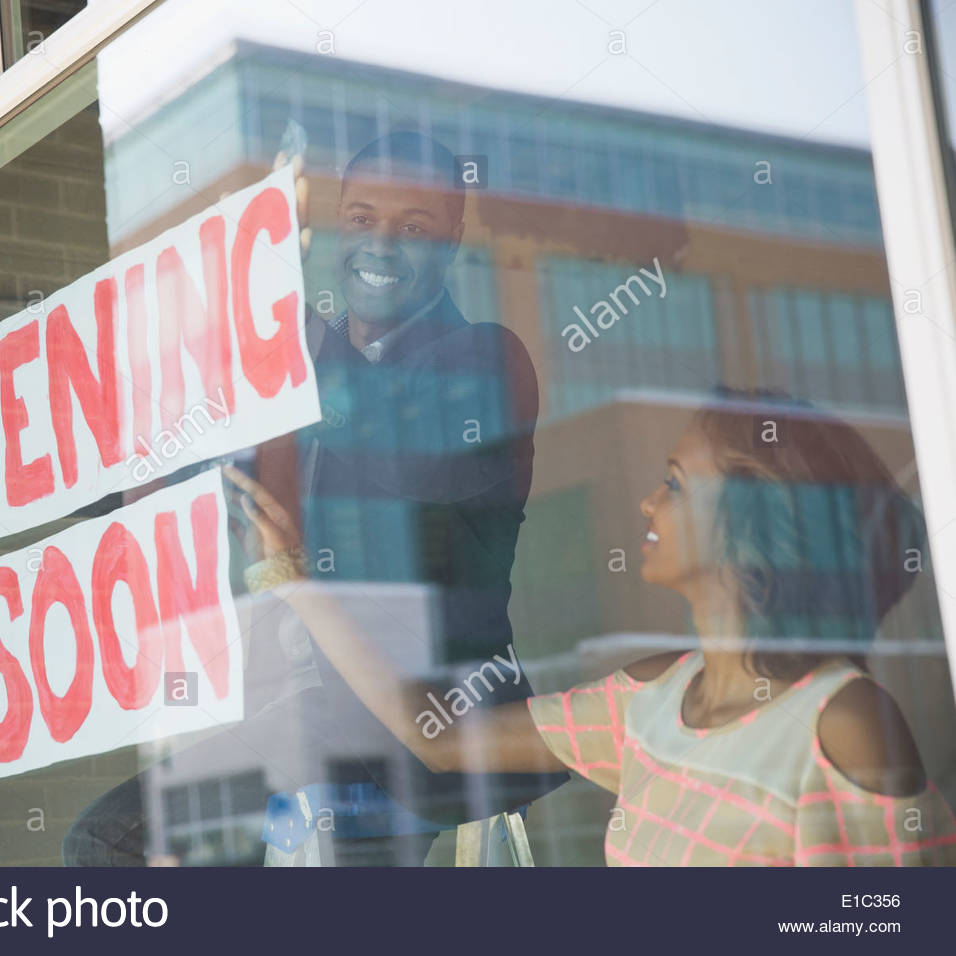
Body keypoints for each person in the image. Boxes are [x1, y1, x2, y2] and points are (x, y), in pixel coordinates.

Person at [62, 132, 567, 866]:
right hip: (304, 714)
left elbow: (390, 440)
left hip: (422, 720)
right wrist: (35, 456)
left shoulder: (485, 359)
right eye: (361, 219)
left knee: (117, 845)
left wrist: (272, 301)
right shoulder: (298, 375)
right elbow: (161, 475)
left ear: (454, 239)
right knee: (109, 845)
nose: (382, 244)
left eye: (414, 227)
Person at [226, 389, 956, 865]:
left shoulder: (843, 722)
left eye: (674, 484)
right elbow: (438, 737)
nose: (646, 504)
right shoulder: (651, 697)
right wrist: (292, 579)